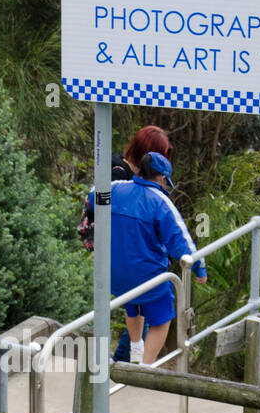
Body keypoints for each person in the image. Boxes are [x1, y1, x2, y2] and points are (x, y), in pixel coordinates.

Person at [88, 151, 207, 366]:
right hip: (147, 276)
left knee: (132, 306)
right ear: (162, 178)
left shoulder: (117, 189)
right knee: (162, 319)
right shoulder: (159, 202)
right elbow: (180, 239)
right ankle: (145, 367)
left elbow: (93, 195)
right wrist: (199, 267)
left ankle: (136, 351)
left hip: (116, 274)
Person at [78, 125, 176, 361]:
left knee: (137, 304)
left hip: (130, 247)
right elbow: (102, 206)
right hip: (117, 243)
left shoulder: (134, 176)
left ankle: (128, 360)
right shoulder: (118, 174)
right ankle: (129, 361)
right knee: (142, 302)